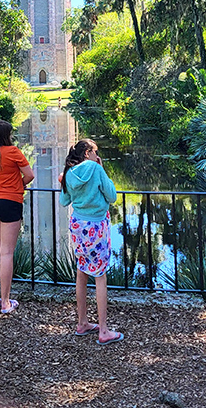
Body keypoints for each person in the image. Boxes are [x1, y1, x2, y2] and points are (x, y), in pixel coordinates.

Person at [59, 139, 123, 344]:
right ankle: (103, 330)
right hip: (96, 226)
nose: (98, 155)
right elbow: (112, 196)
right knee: (100, 276)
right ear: (88, 152)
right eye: (96, 152)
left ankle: (82, 322)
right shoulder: (95, 168)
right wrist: (102, 170)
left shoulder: (69, 171)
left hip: (78, 225)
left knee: (81, 271)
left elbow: (63, 201)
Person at [0, 119, 34, 314]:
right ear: (6, 135)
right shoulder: (14, 152)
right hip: (10, 201)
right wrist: (19, 184)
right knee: (7, 252)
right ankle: (5, 302)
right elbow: (30, 175)